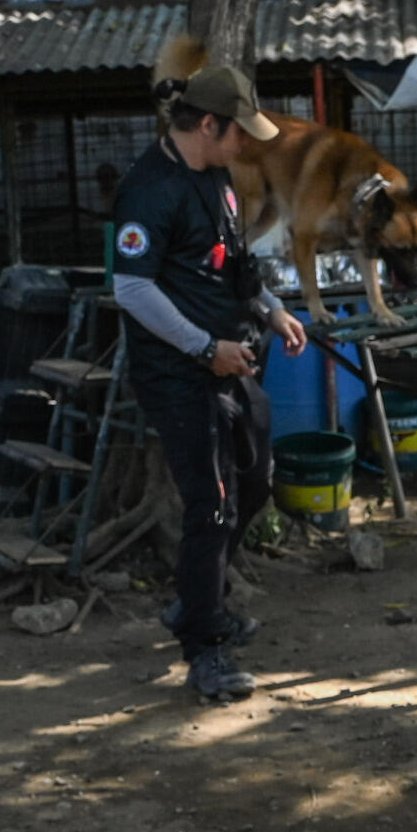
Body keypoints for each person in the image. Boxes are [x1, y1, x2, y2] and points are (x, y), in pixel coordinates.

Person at [112, 61, 308, 703]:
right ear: (207, 125)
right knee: (212, 503)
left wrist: (271, 309)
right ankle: (205, 647)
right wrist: (203, 347)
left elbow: (234, 263)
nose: (246, 143)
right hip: (180, 374)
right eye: (238, 132)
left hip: (230, 361)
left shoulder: (216, 178)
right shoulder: (149, 190)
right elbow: (132, 288)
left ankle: (196, 603)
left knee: (255, 482)